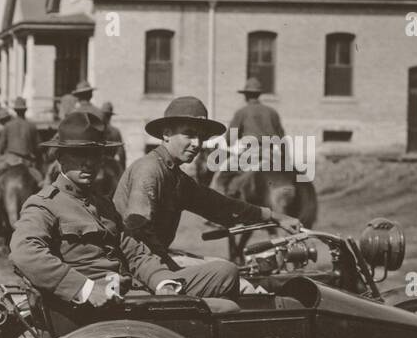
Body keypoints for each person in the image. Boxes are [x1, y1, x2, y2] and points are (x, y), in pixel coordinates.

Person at [10, 111, 241, 304]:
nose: (89, 163)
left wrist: (162, 281)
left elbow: (133, 250)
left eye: (95, 154)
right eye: (79, 154)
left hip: (127, 294)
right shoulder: (44, 205)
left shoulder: (102, 204)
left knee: (225, 272)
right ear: (60, 157)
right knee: (223, 310)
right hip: (94, 307)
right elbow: (25, 253)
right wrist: (86, 289)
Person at [113, 95, 302, 267]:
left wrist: (274, 216)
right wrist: (169, 265)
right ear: (166, 133)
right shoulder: (150, 170)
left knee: (232, 269)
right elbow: (137, 232)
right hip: (135, 266)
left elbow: (220, 205)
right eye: (189, 134)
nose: (197, 144)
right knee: (226, 272)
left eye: (201, 137)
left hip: (152, 258)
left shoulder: (175, 176)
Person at [100, 101, 125, 169]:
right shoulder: (115, 131)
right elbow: (121, 154)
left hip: (98, 166)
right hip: (110, 166)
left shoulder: (97, 130)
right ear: (110, 116)